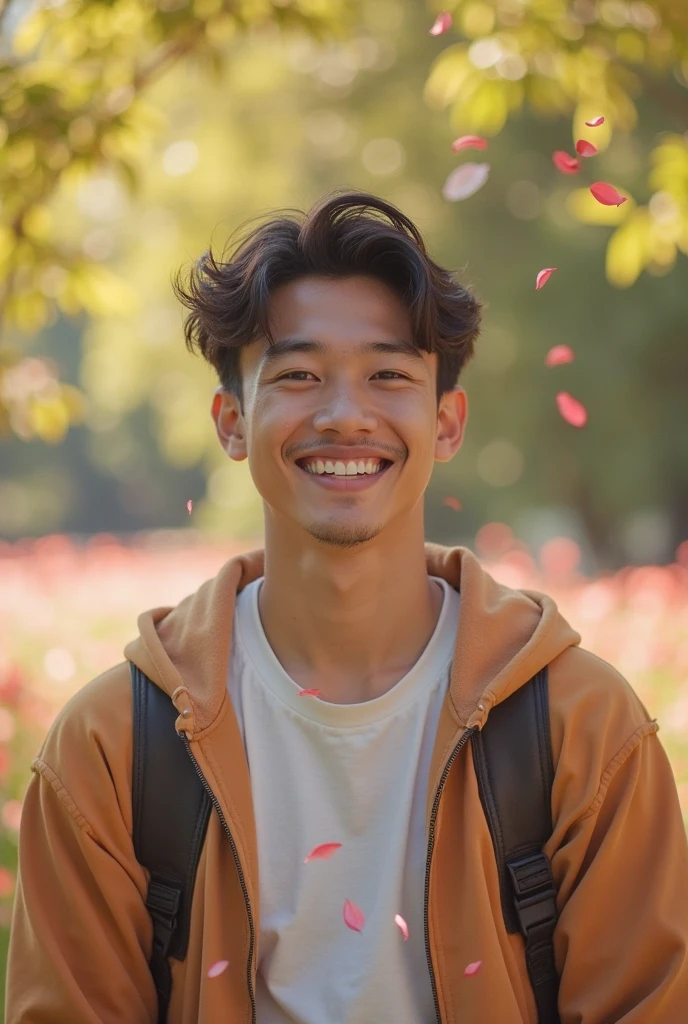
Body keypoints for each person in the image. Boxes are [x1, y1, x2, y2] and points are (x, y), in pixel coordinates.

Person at [6, 189, 688, 1023]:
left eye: (388, 375)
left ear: (447, 422)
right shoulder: (112, 748)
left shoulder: (582, 729)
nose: (344, 416)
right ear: (231, 420)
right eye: (297, 375)